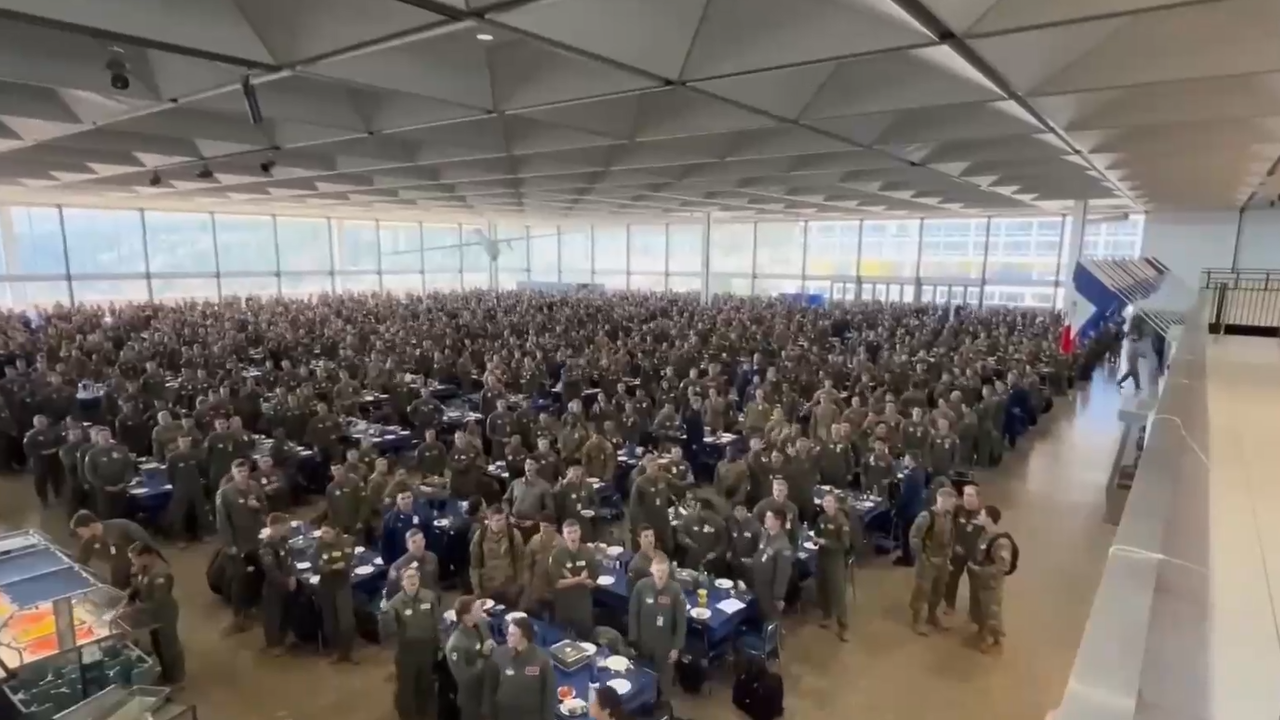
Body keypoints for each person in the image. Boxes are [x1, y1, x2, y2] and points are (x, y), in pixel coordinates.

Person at [380, 566, 444, 720]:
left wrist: (441, 644)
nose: (412, 579)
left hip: (427, 647)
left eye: (415, 576)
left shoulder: (430, 597)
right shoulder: (395, 604)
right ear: (402, 582)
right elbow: (388, 632)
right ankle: (407, 715)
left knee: (426, 682)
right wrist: (384, 615)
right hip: (406, 651)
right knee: (406, 686)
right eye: (408, 577)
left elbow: (438, 622)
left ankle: (426, 712)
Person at [215, 459, 266, 634]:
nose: (243, 474)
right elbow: (222, 521)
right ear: (233, 473)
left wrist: (257, 506)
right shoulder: (225, 493)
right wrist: (229, 544)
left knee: (259, 573)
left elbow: (265, 508)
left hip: (257, 539)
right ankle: (237, 618)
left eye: (245, 471)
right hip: (239, 543)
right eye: (239, 472)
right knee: (239, 578)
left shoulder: (255, 487)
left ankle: (254, 607)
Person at [627, 551, 686, 703]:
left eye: (663, 571)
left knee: (665, 683)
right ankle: (644, 704)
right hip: (644, 644)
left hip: (665, 646)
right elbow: (633, 613)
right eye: (657, 570)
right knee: (642, 678)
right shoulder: (641, 587)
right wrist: (633, 640)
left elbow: (681, 621)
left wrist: (676, 647)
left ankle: (664, 707)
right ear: (651, 570)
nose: (660, 575)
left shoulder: (675, 590)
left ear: (668, 571)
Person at [127, 542, 185, 685]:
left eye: (134, 559)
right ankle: (165, 674)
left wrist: (133, 610)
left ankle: (176, 679)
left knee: (169, 647)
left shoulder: (160, 574)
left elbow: (160, 602)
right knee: (157, 643)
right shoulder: (144, 569)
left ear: (146, 557)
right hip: (152, 614)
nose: (133, 563)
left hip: (164, 614)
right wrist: (125, 598)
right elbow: (137, 587)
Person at [483, 616, 555, 720]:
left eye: (512, 635)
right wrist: (489, 715)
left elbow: (549, 695)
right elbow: (489, 689)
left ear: (524, 638)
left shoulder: (543, 660)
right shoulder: (498, 654)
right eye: (508, 633)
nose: (507, 637)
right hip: (504, 714)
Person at [908, 486, 957, 636]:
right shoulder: (926, 517)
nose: (953, 505)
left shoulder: (948, 516)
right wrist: (922, 556)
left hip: (942, 560)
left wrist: (949, 555)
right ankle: (916, 620)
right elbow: (914, 537)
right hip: (928, 561)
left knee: (939, 590)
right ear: (941, 499)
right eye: (951, 502)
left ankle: (932, 615)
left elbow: (950, 536)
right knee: (922, 591)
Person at [71, 510, 156, 590]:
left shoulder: (114, 535)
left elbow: (119, 566)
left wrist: (114, 588)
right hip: (126, 560)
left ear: (90, 526)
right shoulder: (93, 535)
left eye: (80, 531)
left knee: (121, 586)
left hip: (143, 558)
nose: (79, 534)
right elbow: (81, 559)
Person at [969, 505, 1014, 654]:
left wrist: (981, 571)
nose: (978, 517)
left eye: (981, 515)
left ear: (989, 518)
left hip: (991, 584)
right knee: (980, 609)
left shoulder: (1001, 542)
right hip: (980, 580)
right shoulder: (984, 534)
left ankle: (990, 639)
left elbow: (1003, 566)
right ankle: (987, 632)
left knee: (991, 612)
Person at [313, 519, 357, 663]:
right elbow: (315, 567)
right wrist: (332, 567)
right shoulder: (319, 545)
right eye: (322, 532)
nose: (323, 535)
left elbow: (346, 563)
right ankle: (336, 651)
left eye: (327, 532)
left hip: (342, 585)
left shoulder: (347, 542)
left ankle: (347, 652)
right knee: (329, 623)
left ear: (335, 531)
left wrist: (326, 565)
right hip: (326, 587)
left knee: (347, 621)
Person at [445, 595, 495, 720]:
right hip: (471, 697)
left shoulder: (481, 623)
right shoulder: (456, 644)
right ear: (466, 616)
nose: (482, 611)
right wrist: (483, 656)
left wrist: (491, 643)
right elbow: (464, 678)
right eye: (477, 609)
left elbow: (488, 639)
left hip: (487, 689)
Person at [550, 519, 597, 640]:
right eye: (569, 532)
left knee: (586, 639)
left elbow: (593, 581)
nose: (573, 535)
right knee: (564, 640)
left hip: (583, 606)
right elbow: (557, 583)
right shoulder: (557, 555)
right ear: (563, 535)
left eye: (575, 531)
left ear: (580, 532)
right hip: (564, 606)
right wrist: (580, 579)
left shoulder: (588, 552)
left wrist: (572, 578)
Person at [814, 492, 852, 641]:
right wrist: (816, 540)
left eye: (829, 501)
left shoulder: (841, 521)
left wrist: (825, 542)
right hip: (822, 558)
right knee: (823, 588)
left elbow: (845, 544)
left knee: (838, 593)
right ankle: (827, 615)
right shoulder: (821, 519)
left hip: (835, 561)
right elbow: (816, 535)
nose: (826, 504)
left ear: (835, 504)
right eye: (824, 501)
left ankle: (843, 626)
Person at [469, 505, 525, 606]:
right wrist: (476, 589)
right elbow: (475, 565)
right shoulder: (480, 536)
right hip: (488, 587)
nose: (502, 522)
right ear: (490, 521)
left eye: (503, 519)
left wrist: (519, 585)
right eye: (498, 520)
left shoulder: (514, 534)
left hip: (509, 587)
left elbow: (520, 562)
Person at [258, 512, 296, 655]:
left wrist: (292, 576)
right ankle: (272, 645)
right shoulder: (267, 547)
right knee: (272, 617)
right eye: (284, 527)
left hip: (285, 584)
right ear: (275, 527)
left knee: (284, 614)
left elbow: (290, 560)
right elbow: (271, 571)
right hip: (273, 588)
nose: (287, 529)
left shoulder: (284, 541)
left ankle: (282, 640)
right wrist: (286, 581)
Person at [944, 484, 984, 620]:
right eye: (965, 495)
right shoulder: (959, 510)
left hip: (975, 555)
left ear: (978, 498)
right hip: (958, 552)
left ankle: (974, 612)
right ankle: (949, 604)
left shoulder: (983, 514)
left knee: (976, 584)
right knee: (951, 579)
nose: (967, 498)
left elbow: (989, 536)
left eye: (971, 495)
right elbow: (950, 525)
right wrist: (952, 544)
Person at [166, 434, 211, 547]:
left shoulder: (196, 455)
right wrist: (177, 486)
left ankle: (203, 534)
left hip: (196, 486)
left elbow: (202, 470)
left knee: (201, 511)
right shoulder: (173, 457)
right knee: (179, 514)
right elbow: (170, 475)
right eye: (183, 441)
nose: (185, 444)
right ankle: (180, 538)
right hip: (181, 488)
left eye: (187, 441)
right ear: (179, 442)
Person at [752, 508, 793, 624]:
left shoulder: (783, 545)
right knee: (761, 616)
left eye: (769, 517)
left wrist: (778, 597)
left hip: (770, 589)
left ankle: (775, 635)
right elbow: (760, 554)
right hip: (759, 583)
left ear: (778, 521)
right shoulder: (765, 534)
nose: (765, 519)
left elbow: (783, 574)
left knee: (771, 617)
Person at [521, 512, 563, 619]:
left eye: (546, 527)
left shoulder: (561, 545)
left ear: (554, 527)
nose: (543, 530)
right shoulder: (534, 541)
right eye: (541, 526)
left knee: (554, 619)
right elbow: (527, 564)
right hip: (537, 590)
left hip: (554, 592)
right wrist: (527, 584)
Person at [893, 452, 927, 567]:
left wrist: (896, 509)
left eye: (906, 458)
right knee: (910, 534)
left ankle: (907, 560)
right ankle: (910, 557)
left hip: (908, 511)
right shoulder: (920, 472)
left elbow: (905, 496)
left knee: (905, 536)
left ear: (911, 460)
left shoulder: (911, 476)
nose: (904, 460)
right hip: (917, 507)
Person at [387, 527, 440, 597]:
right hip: (409, 601)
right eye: (414, 542)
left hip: (430, 598)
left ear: (424, 541)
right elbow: (392, 592)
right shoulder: (397, 566)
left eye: (421, 540)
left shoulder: (433, 558)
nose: (419, 545)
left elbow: (435, 581)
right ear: (407, 545)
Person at [23, 414, 62, 507]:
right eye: (39, 422)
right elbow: (28, 449)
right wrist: (40, 452)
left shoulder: (53, 431)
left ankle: (58, 493)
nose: (42, 424)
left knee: (56, 477)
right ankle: (43, 498)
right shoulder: (31, 435)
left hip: (53, 458)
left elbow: (60, 442)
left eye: (43, 421)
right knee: (40, 480)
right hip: (39, 461)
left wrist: (57, 448)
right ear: (35, 424)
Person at [381, 490, 426, 568]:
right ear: (397, 500)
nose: (406, 501)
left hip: (420, 559)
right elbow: (385, 546)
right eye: (403, 498)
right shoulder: (390, 520)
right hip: (400, 562)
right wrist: (389, 566)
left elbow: (427, 535)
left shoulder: (420, 514)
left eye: (409, 497)